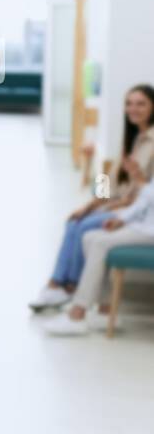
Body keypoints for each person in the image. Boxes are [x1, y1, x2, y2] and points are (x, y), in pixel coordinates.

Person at [29, 84, 154, 310]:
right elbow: (113, 179)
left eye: (141, 103)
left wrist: (105, 208)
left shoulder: (152, 141)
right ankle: (56, 284)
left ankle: (68, 287)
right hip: (118, 203)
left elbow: (139, 196)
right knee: (74, 220)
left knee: (85, 225)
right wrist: (90, 204)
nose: (133, 109)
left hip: (136, 213)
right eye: (129, 103)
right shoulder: (133, 137)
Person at [45, 179, 154, 335]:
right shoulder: (115, 161)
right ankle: (101, 307)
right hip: (130, 216)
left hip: (138, 221)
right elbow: (104, 187)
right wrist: (95, 210)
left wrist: (137, 186)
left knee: (92, 235)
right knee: (82, 231)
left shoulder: (144, 161)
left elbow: (138, 197)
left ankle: (75, 302)